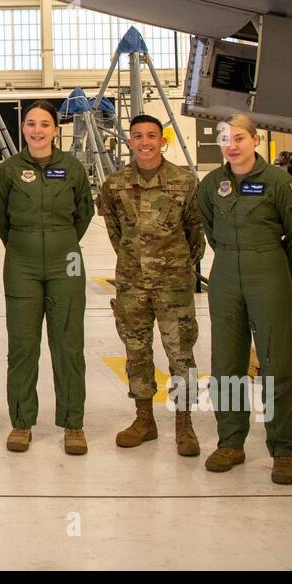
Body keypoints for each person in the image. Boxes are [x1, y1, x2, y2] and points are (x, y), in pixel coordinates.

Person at [196, 113, 292, 484]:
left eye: (240, 137)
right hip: (226, 273)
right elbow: (211, 230)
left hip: (270, 272)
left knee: (277, 365)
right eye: (225, 137)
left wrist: (277, 275)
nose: (232, 144)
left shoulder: (278, 182)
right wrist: (232, 258)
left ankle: (283, 450)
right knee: (226, 362)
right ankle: (230, 442)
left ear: (255, 141)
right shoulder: (212, 184)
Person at [0, 100, 95, 456]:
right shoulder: (8, 170)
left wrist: (61, 240)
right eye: (31, 123)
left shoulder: (73, 168)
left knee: (69, 344)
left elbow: (84, 212)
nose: (37, 130)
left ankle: (73, 423)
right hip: (21, 261)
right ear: (24, 129)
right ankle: (22, 423)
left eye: (45, 124)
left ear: (55, 129)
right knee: (22, 346)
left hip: (67, 259)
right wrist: (23, 245)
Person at [98, 114, 204, 456]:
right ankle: (144, 419)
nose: (145, 141)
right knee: (137, 352)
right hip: (131, 284)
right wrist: (136, 260)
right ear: (130, 141)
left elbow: (195, 234)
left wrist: (172, 263)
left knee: (180, 355)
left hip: (173, 285)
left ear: (162, 140)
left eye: (151, 136)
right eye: (138, 136)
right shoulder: (115, 184)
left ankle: (184, 424)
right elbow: (115, 232)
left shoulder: (184, 181)